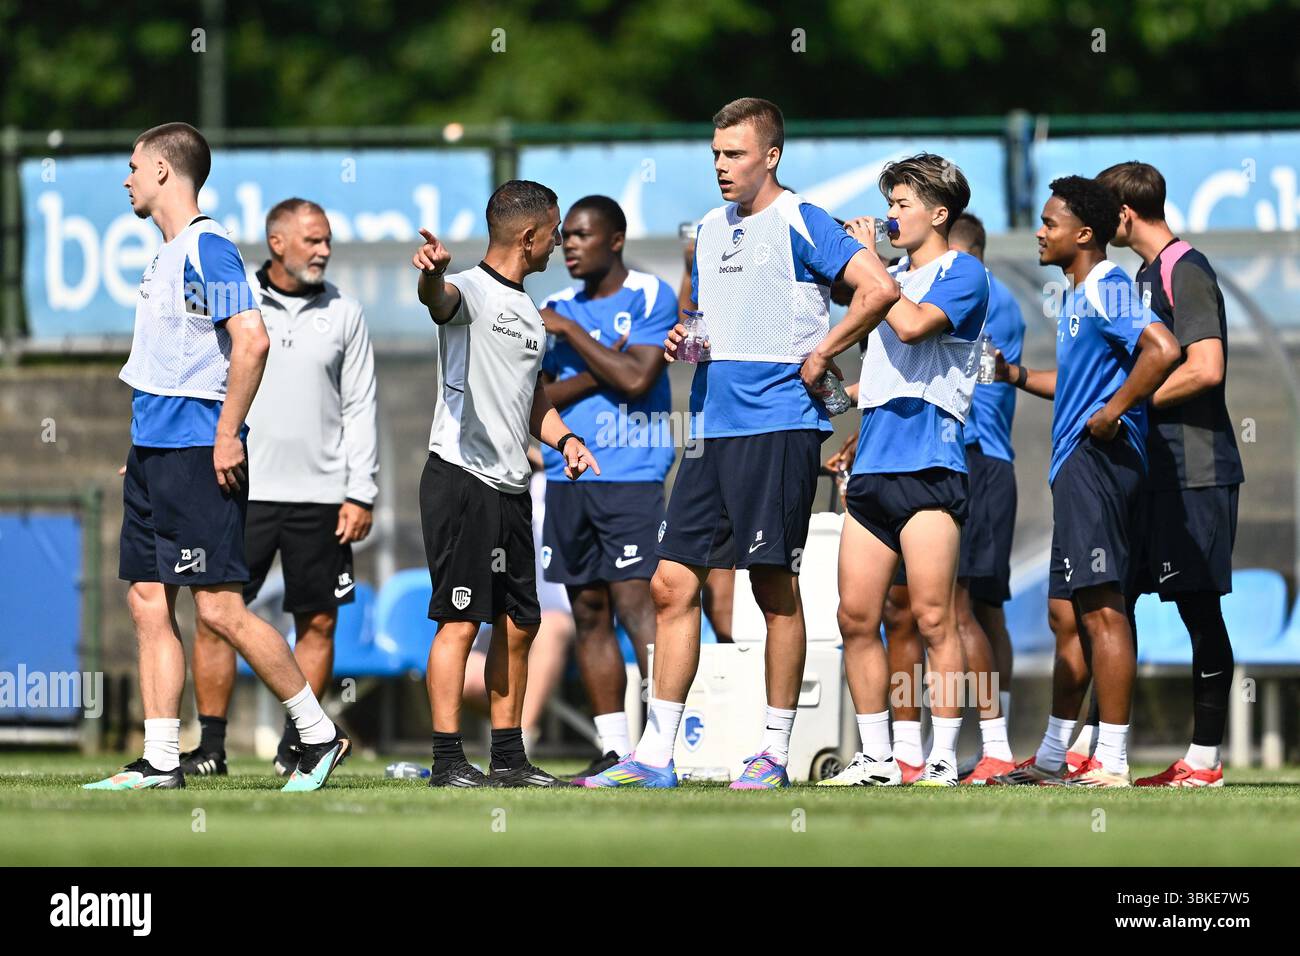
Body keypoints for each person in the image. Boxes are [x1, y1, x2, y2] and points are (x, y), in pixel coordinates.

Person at [584, 97, 898, 789]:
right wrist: (685, 335)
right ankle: (655, 757)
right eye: (716, 155)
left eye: (735, 154)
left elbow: (876, 290)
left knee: (773, 589)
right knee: (671, 584)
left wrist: (822, 354)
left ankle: (773, 755)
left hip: (779, 428)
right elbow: (708, 317)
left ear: (771, 156)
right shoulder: (709, 226)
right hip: (709, 432)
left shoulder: (802, 220)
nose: (722, 167)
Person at [88, 123, 348, 792]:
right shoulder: (168, 255)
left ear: (165, 173)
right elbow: (177, 362)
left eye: (135, 166)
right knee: (149, 600)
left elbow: (251, 340)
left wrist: (225, 433)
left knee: (219, 610)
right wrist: (143, 448)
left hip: (197, 453)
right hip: (155, 452)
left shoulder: (209, 248)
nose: (128, 179)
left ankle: (318, 736)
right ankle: (161, 760)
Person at [989, 176, 1179, 788]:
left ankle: (1114, 760)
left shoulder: (1110, 286)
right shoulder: (1077, 297)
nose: (1040, 232)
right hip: (1073, 468)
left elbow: (1163, 348)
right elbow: (1072, 386)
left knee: (1102, 611)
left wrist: (1115, 409)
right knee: (1064, 617)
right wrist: (1013, 373)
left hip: (1099, 466)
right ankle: (1051, 757)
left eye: (1050, 223)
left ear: (1085, 234)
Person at [180, 197, 379, 777]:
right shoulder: (233, 296)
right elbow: (191, 375)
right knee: (217, 612)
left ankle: (301, 745)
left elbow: (361, 405)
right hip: (239, 487)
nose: (324, 251)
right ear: (278, 243)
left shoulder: (345, 310)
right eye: (313, 240)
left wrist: (360, 490)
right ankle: (211, 748)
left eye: (327, 241)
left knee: (317, 620)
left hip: (322, 496)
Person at [412, 179, 599, 788]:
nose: (558, 242)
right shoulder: (467, 289)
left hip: (512, 488)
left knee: (521, 623)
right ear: (529, 235)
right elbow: (437, 300)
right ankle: (446, 759)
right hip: (461, 479)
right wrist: (432, 276)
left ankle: (508, 759)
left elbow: (532, 398)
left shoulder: (528, 311)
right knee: (461, 622)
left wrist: (565, 439)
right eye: (554, 231)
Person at [819, 154, 990, 788]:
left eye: (902, 205)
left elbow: (914, 328)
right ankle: (877, 757)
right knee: (856, 618)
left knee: (933, 616)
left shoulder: (963, 272)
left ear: (939, 214)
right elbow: (885, 377)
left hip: (930, 468)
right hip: (873, 473)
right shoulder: (884, 277)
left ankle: (943, 753)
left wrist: (871, 276)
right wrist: (835, 390)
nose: (890, 215)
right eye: (888, 204)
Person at [1099, 161, 1243, 787]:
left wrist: (1130, 402)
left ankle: (1205, 760)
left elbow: (1206, 368)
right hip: (1152, 473)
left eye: (1103, 213)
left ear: (1124, 215)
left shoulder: (1186, 268)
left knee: (1198, 610)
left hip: (1197, 472)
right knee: (1114, 596)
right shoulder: (1140, 274)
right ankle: (1102, 752)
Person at [536, 195, 678, 782]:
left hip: (631, 475)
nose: (569, 244)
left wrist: (574, 338)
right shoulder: (549, 304)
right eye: (565, 235)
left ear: (614, 239)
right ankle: (613, 747)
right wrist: (603, 368)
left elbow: (641, 376)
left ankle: (660, 744)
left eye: (583, 235)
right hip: (567, 475)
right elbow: (535, 400)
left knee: (636, 605)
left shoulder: (650, 294)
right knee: (588, 609)